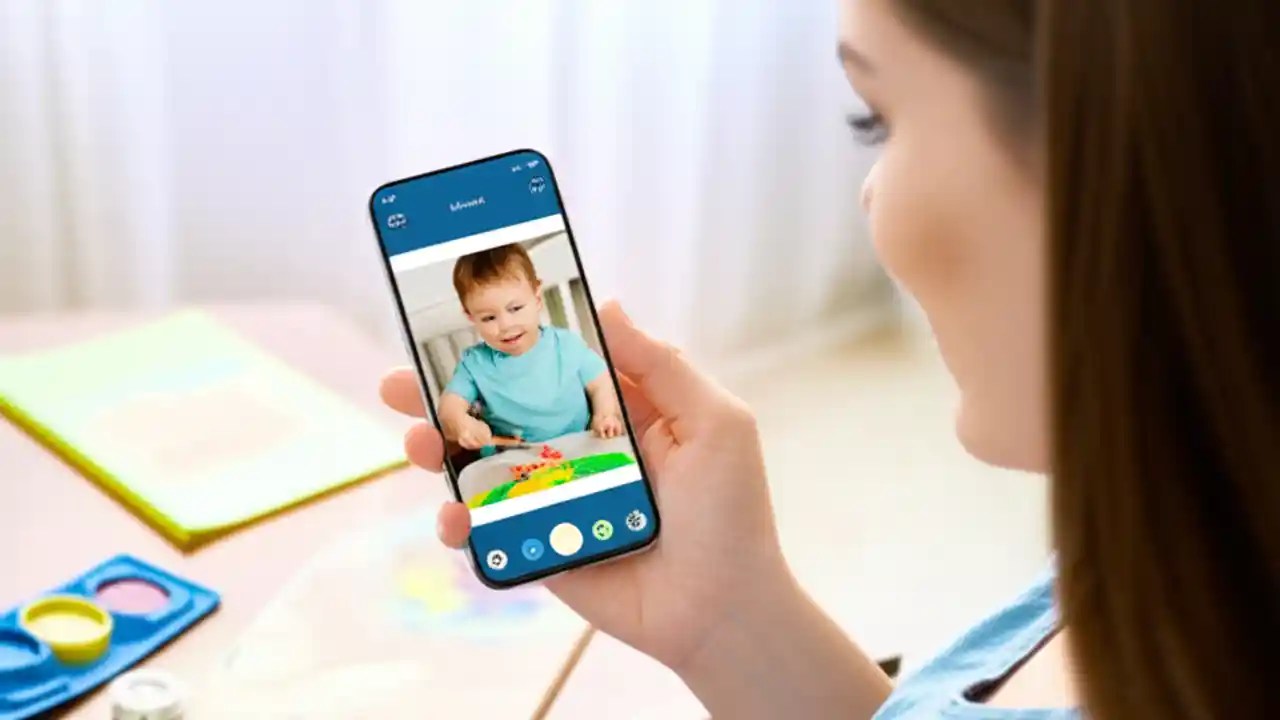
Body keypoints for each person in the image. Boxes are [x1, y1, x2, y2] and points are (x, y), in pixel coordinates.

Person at [381, 0, 1279, 717]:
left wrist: (603, 414)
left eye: (874, 117)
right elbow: (463, 407)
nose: (869, 189)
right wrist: (728, 614)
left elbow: (587, 383)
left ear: (1124, 156)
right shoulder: (1160, 559)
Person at [438, 243, 625, 450]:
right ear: (471, 317)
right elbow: (449, 409)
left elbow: (601, 383)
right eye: (489, 317)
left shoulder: (567, 345)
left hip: (583, 446)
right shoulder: (474, 365)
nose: (506, 325)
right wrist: (463, 424)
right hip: (517, 461)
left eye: (516, 308)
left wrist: (604, 415)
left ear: (537, 299)